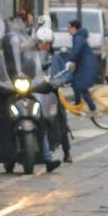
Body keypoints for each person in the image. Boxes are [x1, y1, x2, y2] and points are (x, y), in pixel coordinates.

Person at [35, 23, 71, 163]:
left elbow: (66, 73)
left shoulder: (56, 58)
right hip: (34, 92)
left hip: (51, 93)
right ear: (37, 43)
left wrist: (60, 81)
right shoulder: (30, 57)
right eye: (41, 43)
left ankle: (67, 151)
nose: (44, 46)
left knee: (61, 117)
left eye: (47, 43)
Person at [55, 18, 99, 112]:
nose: (68, 30)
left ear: (74, 28)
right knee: (75, 82)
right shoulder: (79, 37)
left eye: (69, 27)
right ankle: (77, 104)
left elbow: (76, 52)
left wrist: (68, 60)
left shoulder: (78, 38)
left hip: (87, 67)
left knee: (81, 87)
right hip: (84, 66)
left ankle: (93, 108)